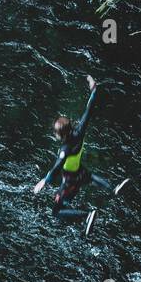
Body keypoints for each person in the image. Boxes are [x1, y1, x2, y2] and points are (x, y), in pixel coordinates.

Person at [33, 75, 127, 229]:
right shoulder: (79, 131)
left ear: (61, 135)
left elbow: (58, 166)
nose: (54, 135)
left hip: (70, 180)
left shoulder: (65, 149)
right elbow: (88, 110)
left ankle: (87, 215)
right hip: (80, 172)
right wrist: (93, 89)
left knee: (56, 211)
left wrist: (44, 181)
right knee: (89, 178)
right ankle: (113, 188)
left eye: (56, 133)